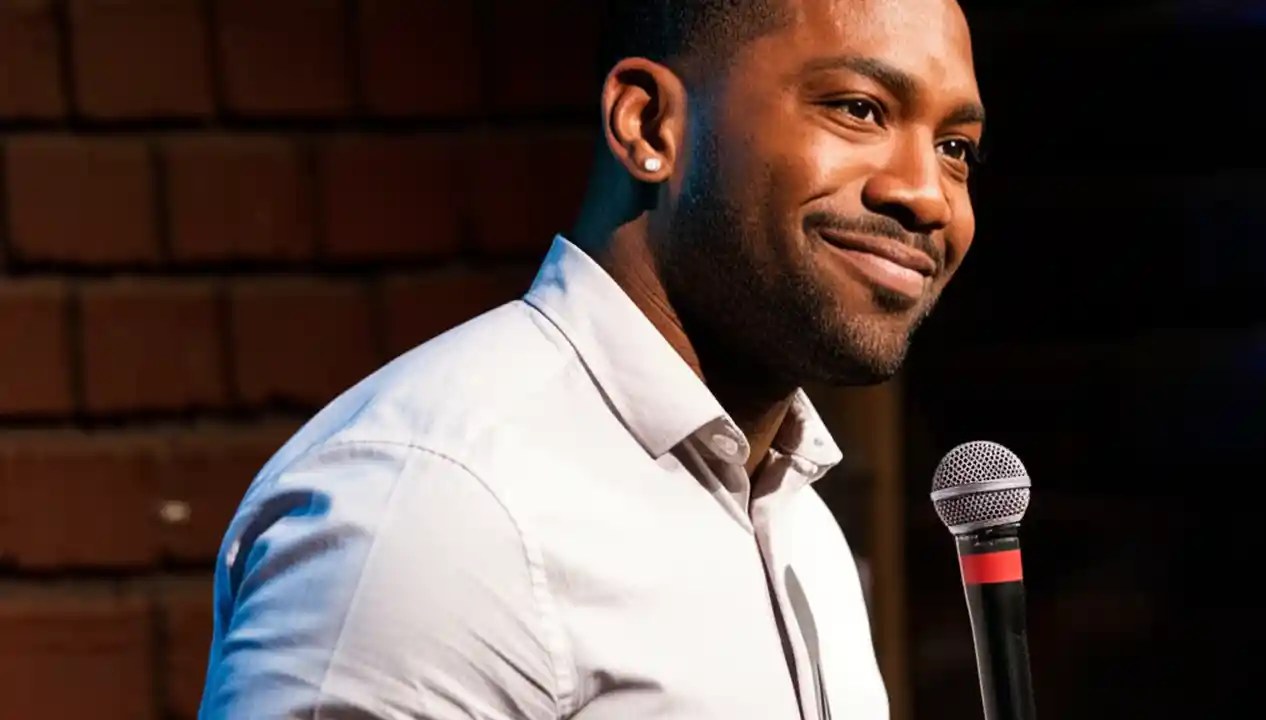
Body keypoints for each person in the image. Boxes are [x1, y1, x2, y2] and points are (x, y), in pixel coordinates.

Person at [197, 0, 985, 717]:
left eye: (956, 148)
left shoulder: (794, 521)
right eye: (858, 109)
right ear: (649, 127)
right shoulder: (436, 508)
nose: (927, 195)